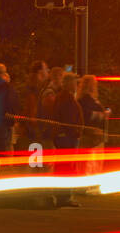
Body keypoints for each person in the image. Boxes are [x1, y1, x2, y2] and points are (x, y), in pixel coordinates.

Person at [50, 70, 84, 207]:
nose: (77, 85)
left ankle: (63, 196)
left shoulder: (63, 97)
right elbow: (68, 119)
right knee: (67, 167)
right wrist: (75, 132)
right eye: (75, 82)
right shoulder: (66, 98)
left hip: (65, 136)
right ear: (69, 83)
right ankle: (64, 197)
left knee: (63, 166)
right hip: (68, 137)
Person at [76, 75, 109, 176]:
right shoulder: (87, 100)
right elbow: (87, 115)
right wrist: (102, 115)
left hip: (92, 137)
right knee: (92, 164)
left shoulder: (84, 99)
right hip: (92, 137)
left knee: (88, 164)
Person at [15, 60, 51, 154]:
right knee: (34, 163)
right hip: (33, 131)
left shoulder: (28, 86)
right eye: (46, 69)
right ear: (40, 72)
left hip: (29, 130)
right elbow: (32, 110)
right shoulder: (34, 89)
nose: (48, 72)